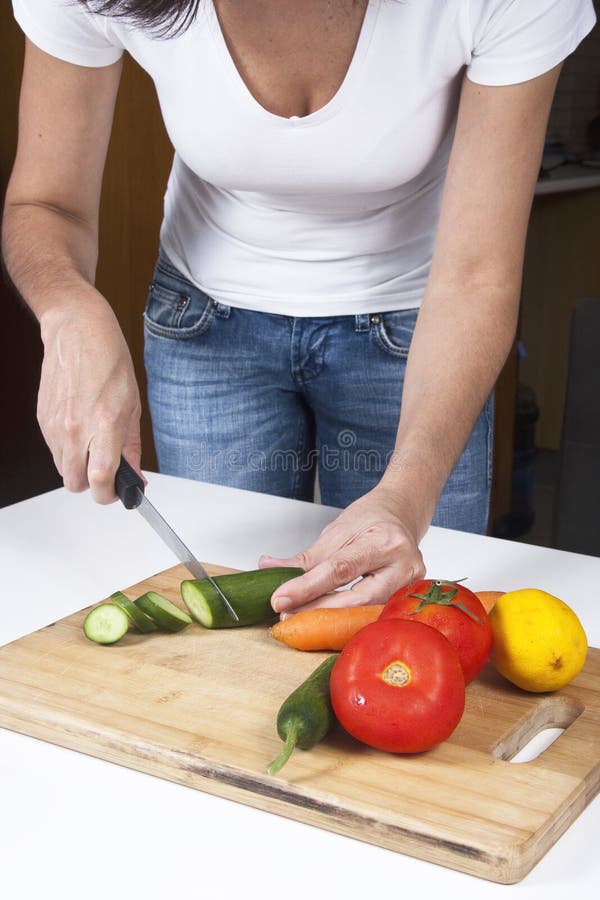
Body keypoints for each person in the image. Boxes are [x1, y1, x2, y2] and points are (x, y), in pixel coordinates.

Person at [3, 0, 595, 616]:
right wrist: (71, 310)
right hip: (206, 329)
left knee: (411, 617)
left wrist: (405, 496)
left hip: (423, 331)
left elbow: (477, 277)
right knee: (228, 641)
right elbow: (47, 204)